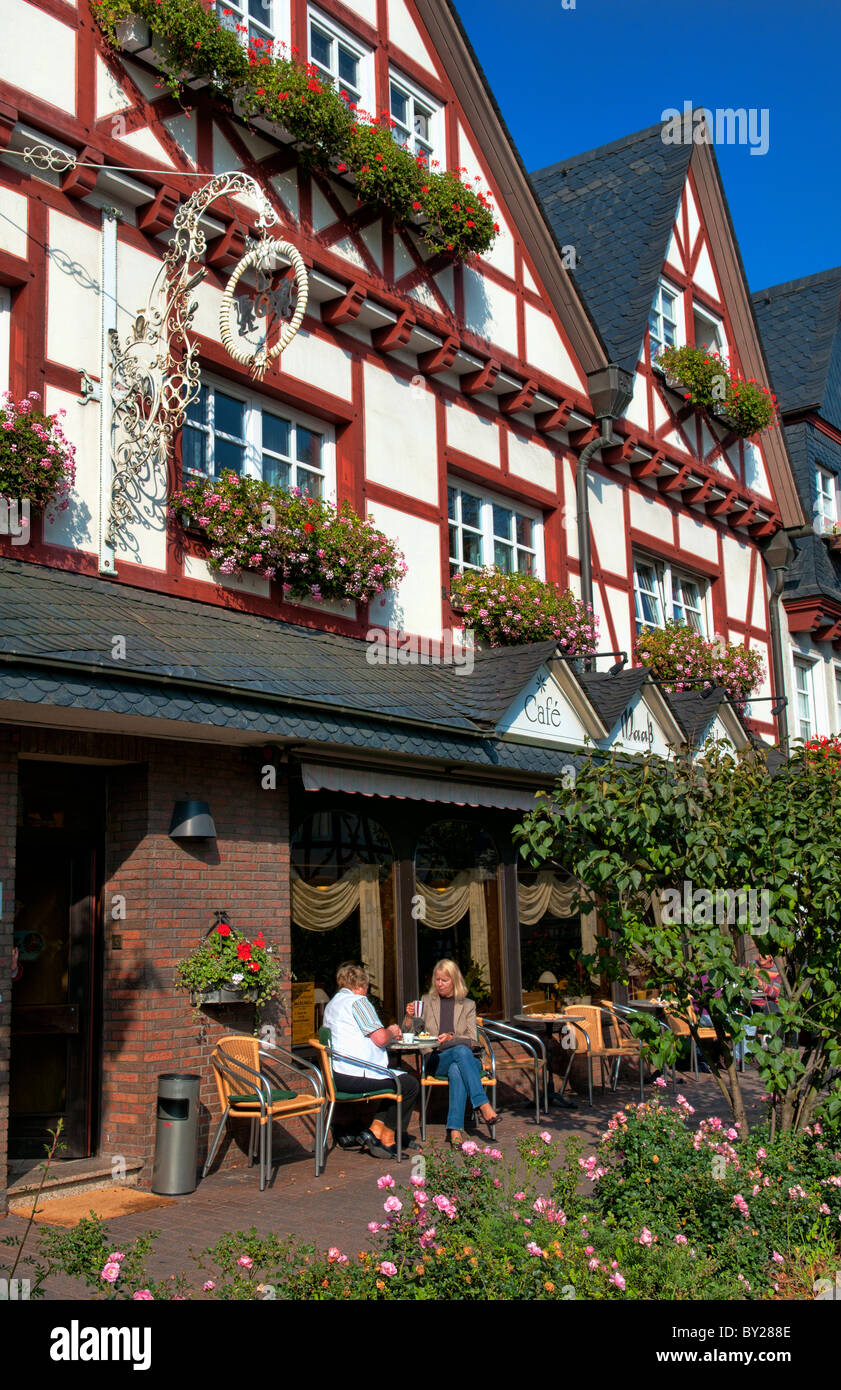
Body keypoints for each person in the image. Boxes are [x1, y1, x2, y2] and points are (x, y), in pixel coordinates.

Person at [323, 961, 419, 1160]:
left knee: (392, 1081)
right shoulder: (358, 1002)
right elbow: (381, 1038)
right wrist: (392, 1031)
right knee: (408, 1084)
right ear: (359, 986)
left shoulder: (333, 1003)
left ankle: (374, 1131)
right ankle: (388, 1138)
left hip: (337, 1074)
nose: (366, 992)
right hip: (355, 1074)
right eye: (366, 987)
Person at [403, 958, 498, 1147]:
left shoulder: (468, 1005)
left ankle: (455, 1130)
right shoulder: (427, 1001)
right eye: (437, 980)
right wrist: (408, 1017)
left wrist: (452, 1038)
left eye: (444, 980)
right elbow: (410, 1033)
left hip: (465, 1060)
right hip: (436, 1059)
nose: (439, 984)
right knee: (461, 1053)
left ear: (454, 981)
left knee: (458, 1064)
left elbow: (473, 1040)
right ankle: (482, 1104)